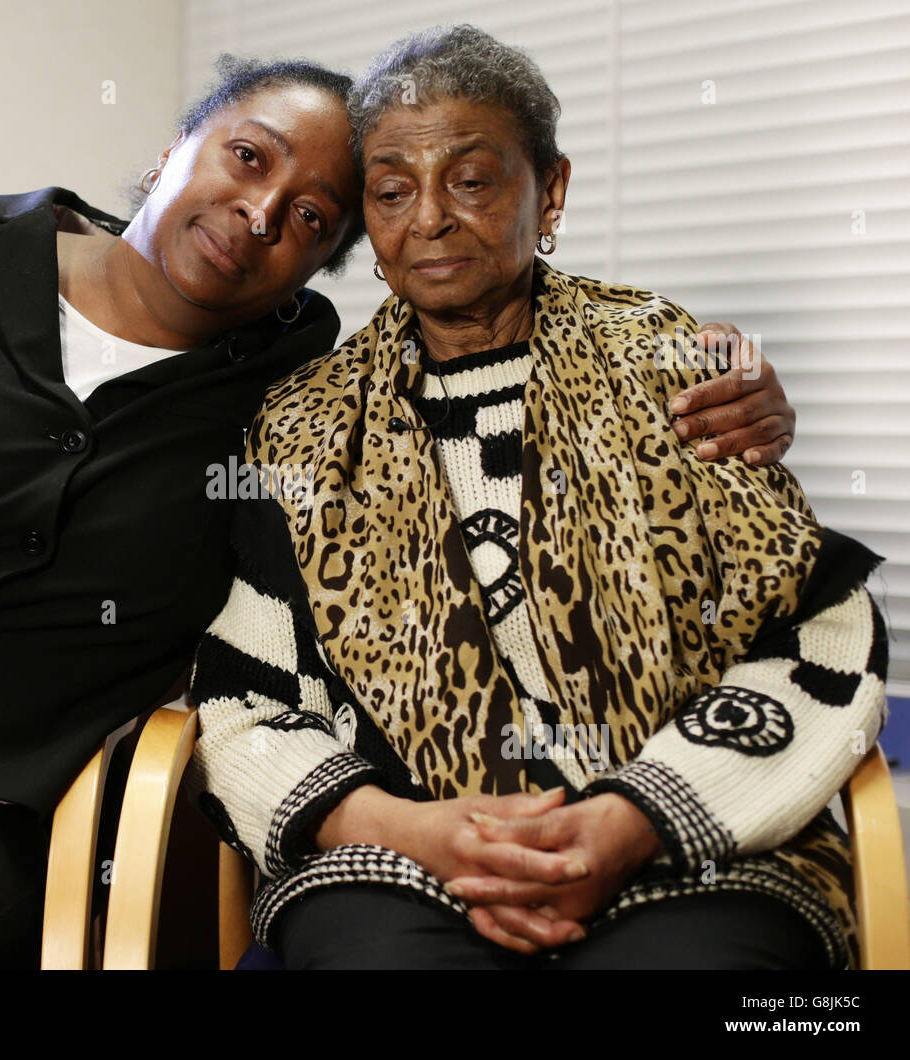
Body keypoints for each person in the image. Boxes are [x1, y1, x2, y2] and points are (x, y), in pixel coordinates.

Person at [0, 52, 792, 970]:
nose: (264, 212)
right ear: (180, 144)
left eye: (318, 217)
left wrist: (726, 372)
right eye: (246, 156)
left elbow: (506, 372)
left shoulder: (296, 383)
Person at [186, 25, 887, 971]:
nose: (428, 217)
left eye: (471, 180)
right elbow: (248, 697)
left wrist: (634, 819)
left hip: (683, 852)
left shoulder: (671, 364)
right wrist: (404, 830)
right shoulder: (305, 423)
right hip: (396, 864)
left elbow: (819, 631)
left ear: (548, 191)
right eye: (391, 191)